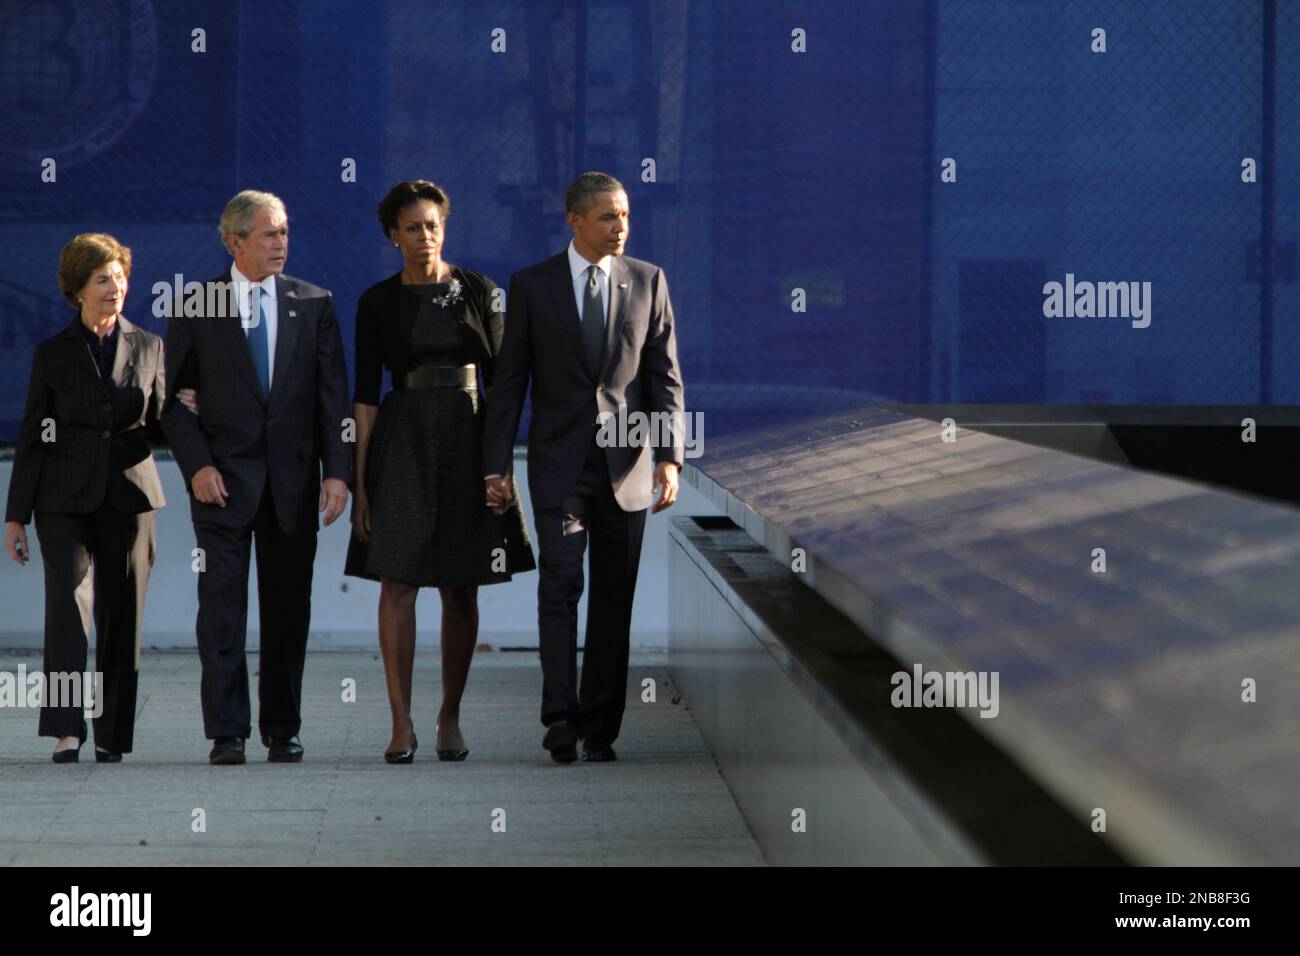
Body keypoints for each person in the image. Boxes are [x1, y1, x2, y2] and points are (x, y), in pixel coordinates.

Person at [482, 171, 685, 764]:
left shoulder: (649, 280)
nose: (620, 227)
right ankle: (560, 718)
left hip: (628, 466)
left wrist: (671, 457)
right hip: (559, 465)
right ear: (574, 221)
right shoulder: (533, 285)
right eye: (607, 217)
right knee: (560, 584)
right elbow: (510, 382)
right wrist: (495, 465)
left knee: (614, 597)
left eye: (624, 216)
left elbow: (664, 377)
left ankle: (601, 727)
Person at [341, 180, 535, 763]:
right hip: (401, 441)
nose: (424, 236)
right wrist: (361, 485)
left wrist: (500, 469)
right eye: (411, 227)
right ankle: (401, 725)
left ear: (444, 229)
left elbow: (505, 388)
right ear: (392, 236)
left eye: (432, 225)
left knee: (461, 582)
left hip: (470, 441)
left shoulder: (480, 291)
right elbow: (365, 397)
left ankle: (449, 718)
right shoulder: (376, 302)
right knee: (397, 582)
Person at [160, 189, 351, 765]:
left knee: (288, 609)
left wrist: (338, 473)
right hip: (221, 485)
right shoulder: (197, 305)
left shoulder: (313, 302)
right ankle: (227, 731)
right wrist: (198, 467)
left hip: (293, 485)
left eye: (285, 232)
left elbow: (332, 399)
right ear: (234, 241)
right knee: (221, 611)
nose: (281, 243)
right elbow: (174, 405)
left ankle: (282, 728)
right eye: (269, 234)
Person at [3, 233, 166, 763]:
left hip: (129, 496)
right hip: (63, 498)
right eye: (103, 279)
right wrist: (15, 516)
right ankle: (67, 730)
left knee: (122, 615)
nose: (115, 286)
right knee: (69, 610)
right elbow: (34, 435)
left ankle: (115, 735)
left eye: (120, 276)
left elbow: (163, 424)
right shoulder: (52, 353)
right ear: (77, 290)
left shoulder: (149, 346)